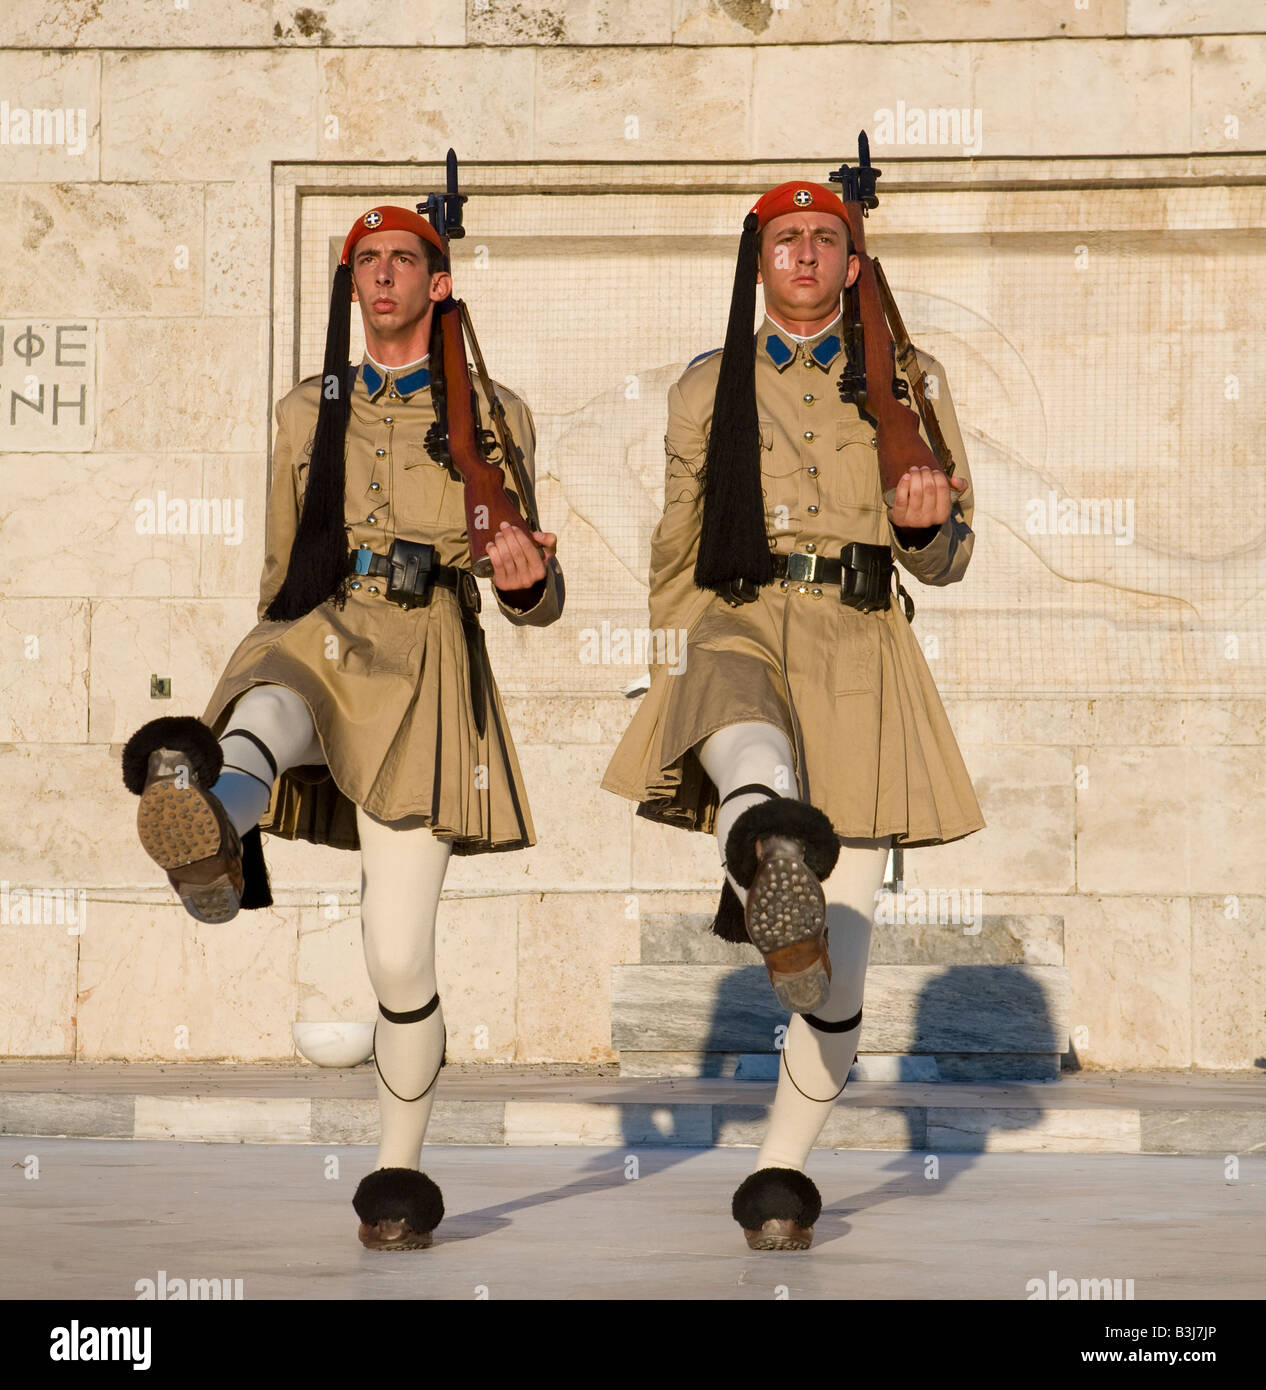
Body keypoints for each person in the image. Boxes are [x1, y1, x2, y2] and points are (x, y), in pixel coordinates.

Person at [121, 204, 563, 1251]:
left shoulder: (494, 412)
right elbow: (277, 575)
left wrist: (532, 582)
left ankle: (397, 1175)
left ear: (438, 283)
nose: (380, 278)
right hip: (322, 627)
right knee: (265, 701)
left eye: (402, 260)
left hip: (426, 657)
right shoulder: (299, 413)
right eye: (365, 262)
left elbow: (533, 594)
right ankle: (213, 824)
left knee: (397, 956)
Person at [601, 179, 984, 1251]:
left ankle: (780, 1170)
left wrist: (924, 526)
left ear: (855, 267)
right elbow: (674, 550)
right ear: (757, 263)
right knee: (748, 743)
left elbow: (953, 558)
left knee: (834, 978)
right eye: (786, 241)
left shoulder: (909, 381)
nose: (806, 256)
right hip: (736, 620)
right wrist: (670, 664)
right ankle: (767, 837)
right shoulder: (707, 387)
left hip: (861, 645)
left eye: (826, 240)